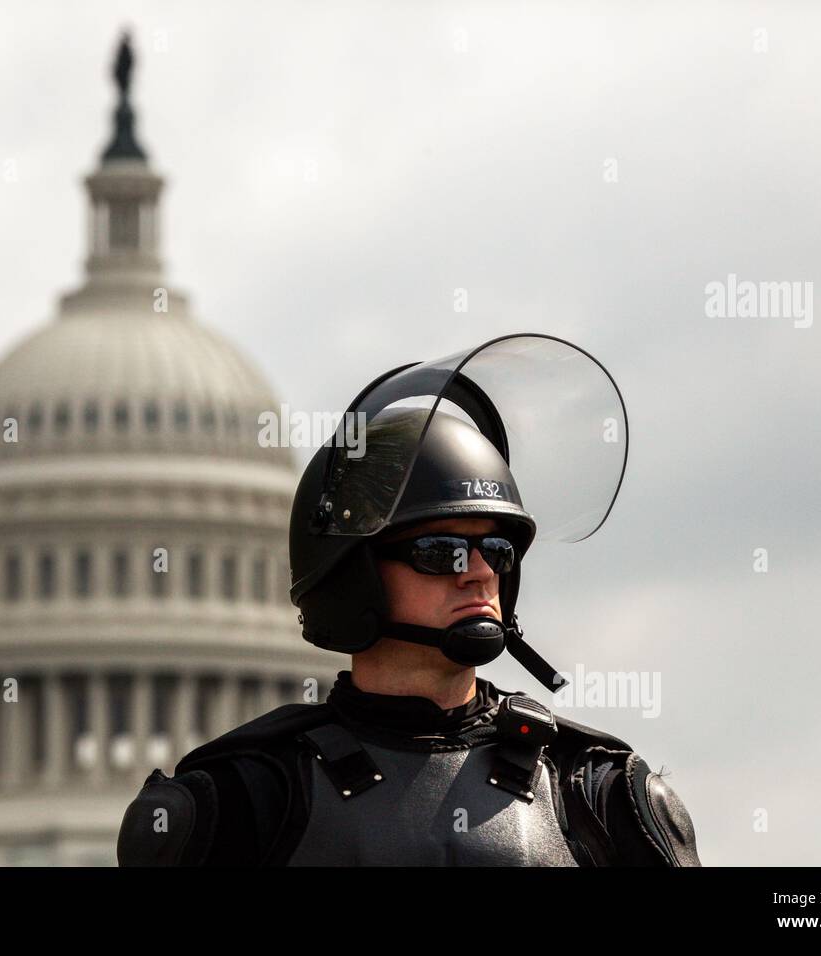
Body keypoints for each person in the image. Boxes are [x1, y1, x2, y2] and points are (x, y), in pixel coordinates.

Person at [117, 335, 701, 866]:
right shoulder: (243, 802)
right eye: (440, 551)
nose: (477, 574)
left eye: (496, 550)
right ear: (353, 577)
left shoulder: (595, 793)